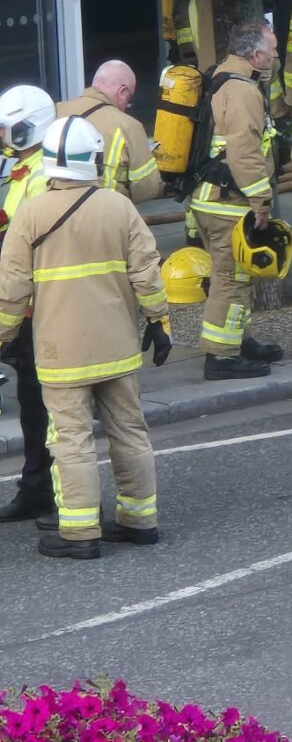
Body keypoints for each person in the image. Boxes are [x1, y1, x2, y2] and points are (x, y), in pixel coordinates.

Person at [0, 117, 169, 560]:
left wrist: (3, 335)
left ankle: (79, 532)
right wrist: (158, 322)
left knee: (70, 438)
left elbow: (12, 287)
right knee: (129, 430)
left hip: (62, 351)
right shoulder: (118, 206)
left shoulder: (32, 213)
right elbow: (147, 271)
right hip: (117, 344)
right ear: (92, 159)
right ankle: (139, 520)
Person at [188, 20, 285, 380]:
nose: (276, 56)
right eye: (272, 51)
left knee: (232, 276)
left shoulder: (220, 76)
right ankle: (222, 357)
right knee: (231, 279)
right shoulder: (242, 91)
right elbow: (244, 152)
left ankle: (238, 341)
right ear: (256, 55)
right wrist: (262, 201)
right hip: (227, 202)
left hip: (213, 198)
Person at [0, 84, 57, 525]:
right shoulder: (22, 169)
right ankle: (37, 486)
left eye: (7, 127)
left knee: (48, 407)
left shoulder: (43, 173)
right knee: (32, 403)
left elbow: (28, 240)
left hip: (42, 308)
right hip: (27, 307)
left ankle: (56, 491)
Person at [55, 61, 162, 206]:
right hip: (104, 213)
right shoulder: (128, 126)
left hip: (52, 213)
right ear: (122, 91)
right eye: (129, 98)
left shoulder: (54, 112)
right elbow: (147, 189)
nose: (127, 106)